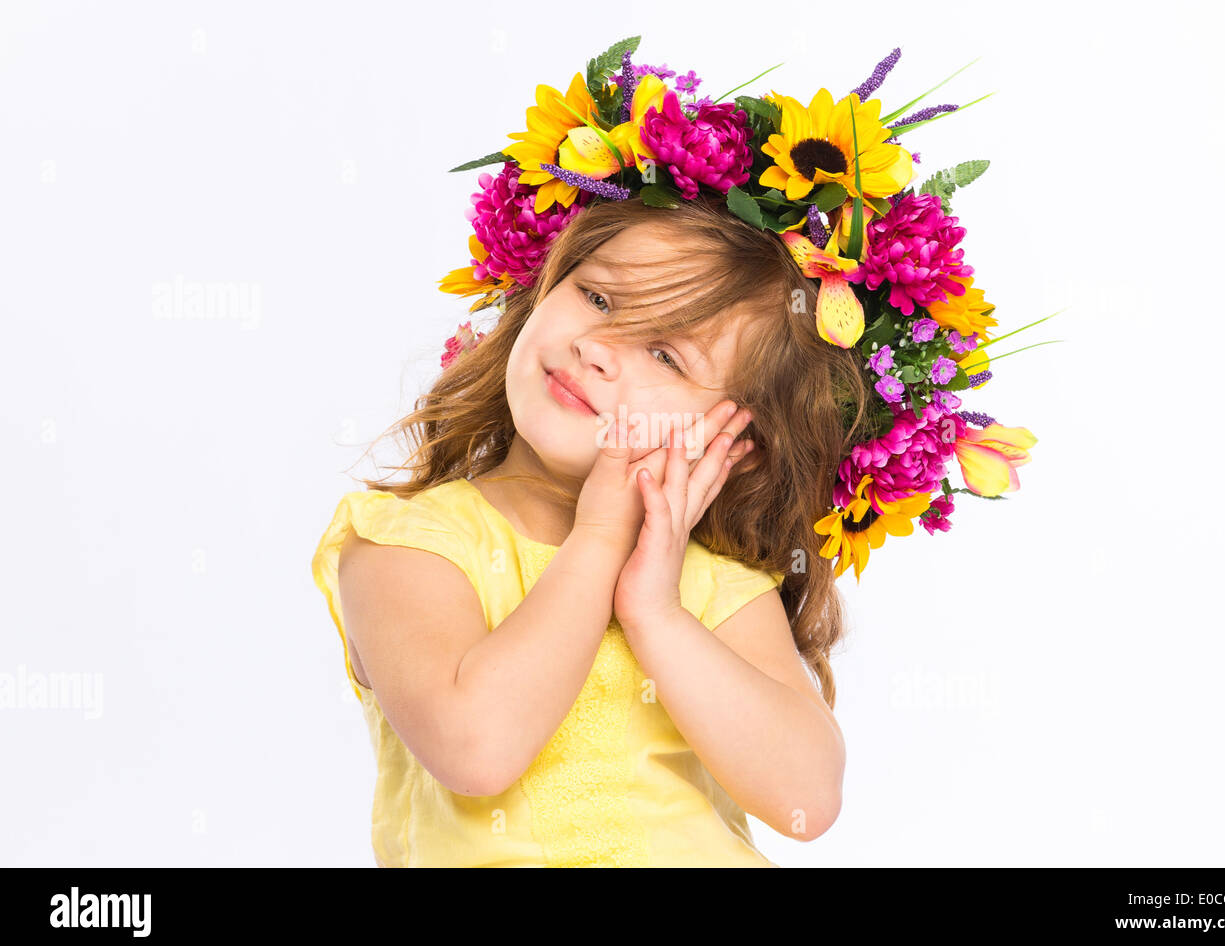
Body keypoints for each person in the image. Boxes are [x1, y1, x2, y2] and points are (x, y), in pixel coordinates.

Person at [310, 192, 858, 866]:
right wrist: (599, 540)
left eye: (667, 356)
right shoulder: (410, 545)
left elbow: (806, 797)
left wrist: (655, 613)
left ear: (732, 439)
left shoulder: (710, 588)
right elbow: (477, 748)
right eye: (598, 297)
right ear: (542, 286)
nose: (596, 348)